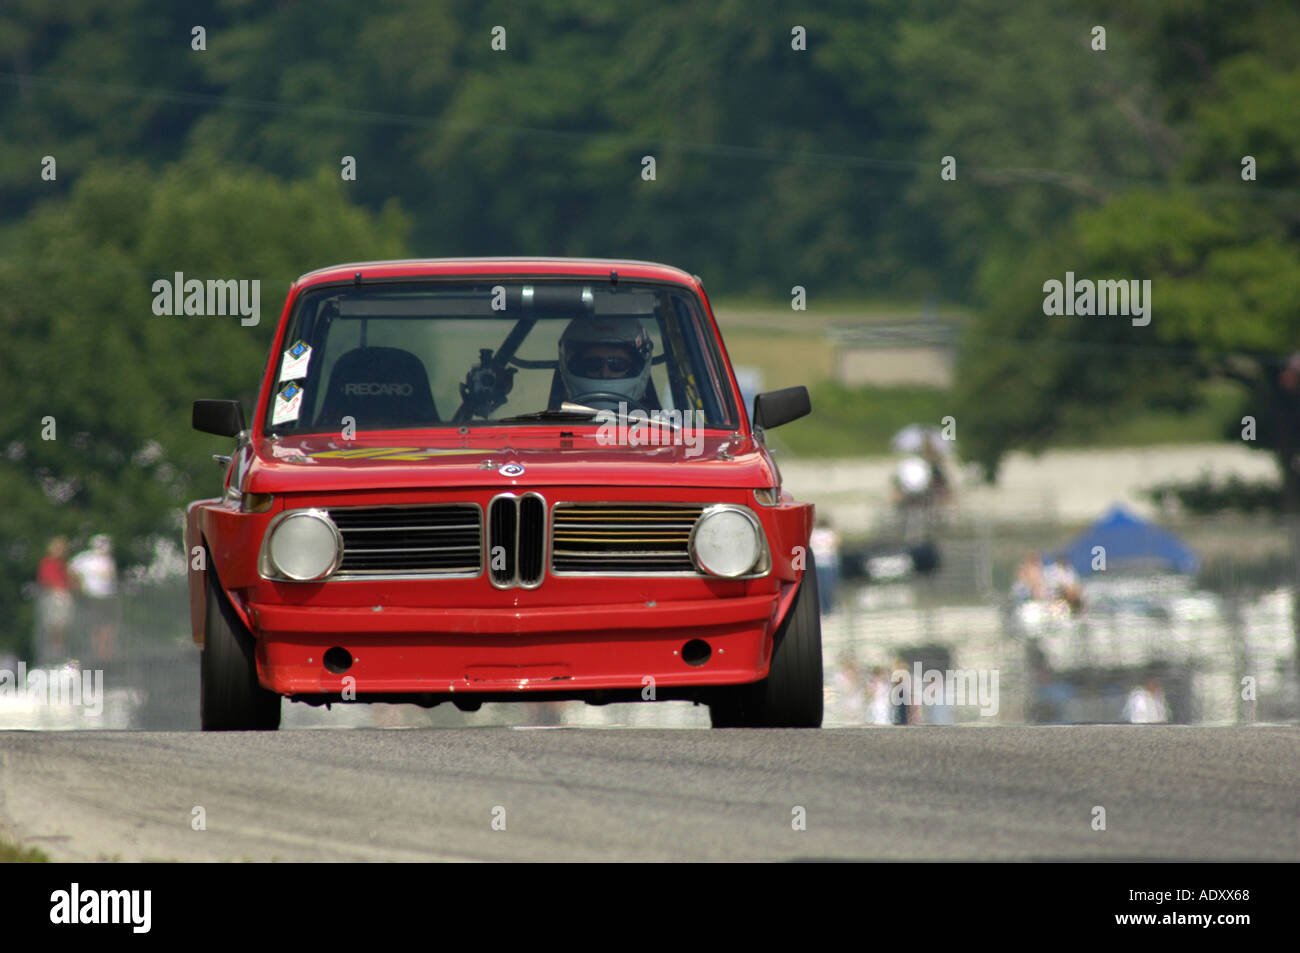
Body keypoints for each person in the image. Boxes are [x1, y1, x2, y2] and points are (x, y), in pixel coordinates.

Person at [557, 317, 655, 411]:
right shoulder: (549, 424)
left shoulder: (660, 426)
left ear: (634, 367)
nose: (605, 373)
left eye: (617, 364)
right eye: (593, 364)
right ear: (577, 367)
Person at [69, 534, 119, 663]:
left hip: (108, 596)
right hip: (93, 597)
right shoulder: (87, 558)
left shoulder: (108, 560)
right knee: (97, 625)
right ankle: (98, 651)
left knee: (108, 624)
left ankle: (107, 651)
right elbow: (71, 568)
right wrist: (79, 585)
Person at [35, 536, 75, 663]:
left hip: (64, 596)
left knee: (64, 624)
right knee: (53, 624)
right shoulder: (47, 563)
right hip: (53, 597)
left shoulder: (64, 565)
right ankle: (53, 652)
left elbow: (71, 581)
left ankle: (61, 651)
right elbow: (44, 580)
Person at [809, 517, 840, 614]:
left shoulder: (814, 533)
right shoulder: (830, 533)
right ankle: (828, 608)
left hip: (817, 563)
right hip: (827, 563)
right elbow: (836, 543)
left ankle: (822, 608)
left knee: (819, 588)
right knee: (828, 587)